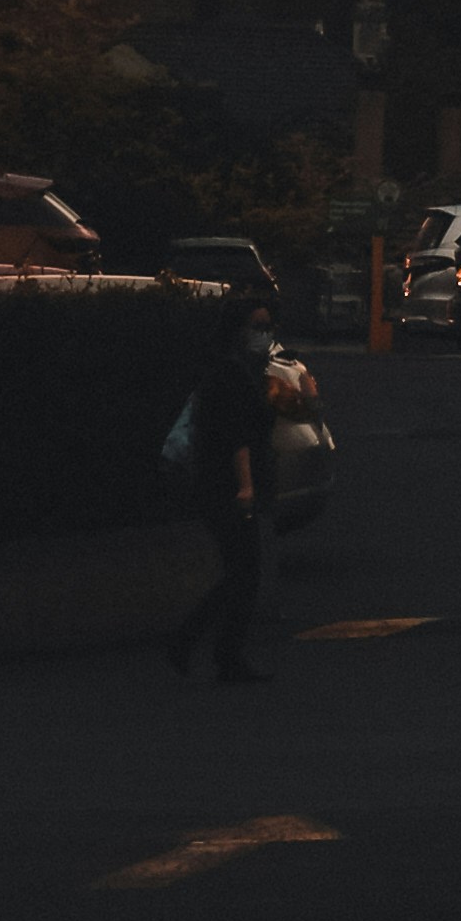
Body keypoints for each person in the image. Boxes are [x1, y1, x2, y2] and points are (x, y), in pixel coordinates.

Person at [162, 277, 277, 687]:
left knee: (239, 571)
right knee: (245, 573)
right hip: (227, 488)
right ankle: (209, 649)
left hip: (215, 486)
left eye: (267, 326)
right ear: (239, 331)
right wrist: (246, 489)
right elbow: (237, 439)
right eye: (257, 327)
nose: (264, 335)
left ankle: (202, 646)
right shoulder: (233, 375)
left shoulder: (226, 370)